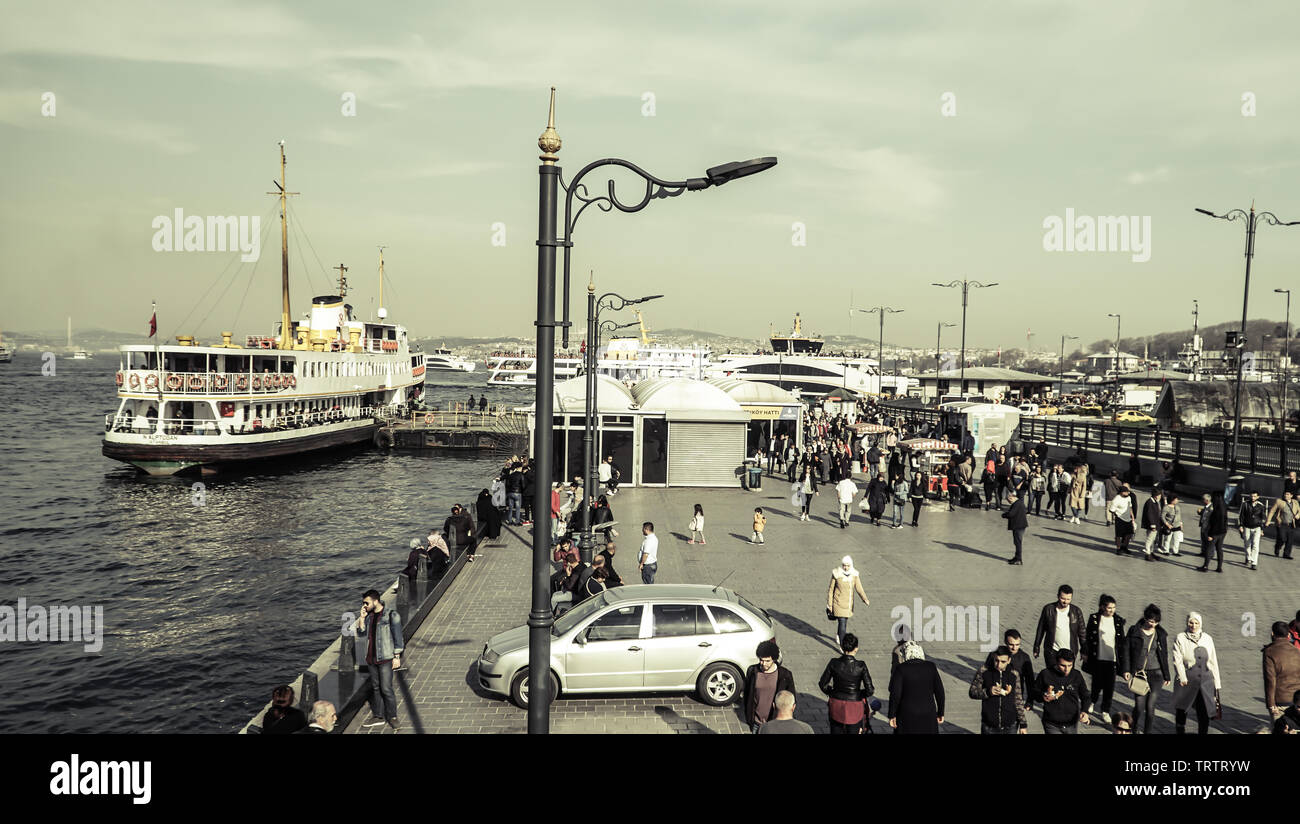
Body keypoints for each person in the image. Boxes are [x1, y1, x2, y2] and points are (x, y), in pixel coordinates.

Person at [354, 588, 404, 730]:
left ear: (375, 601)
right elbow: (362, 633)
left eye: (366, 602)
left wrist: (397, 657)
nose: (364, 605)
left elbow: (398, 637)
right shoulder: (369, 616)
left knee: (386, 688)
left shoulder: (391, 615)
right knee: (376, 688)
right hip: (371, 659)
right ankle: (378, 716)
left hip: (386, 658)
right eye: (363, 603)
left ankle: (393, 717)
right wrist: (362, 618)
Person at [1121, 603, 1170, 735]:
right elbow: (1126, 651)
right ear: (1145, 618)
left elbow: (1164, 655)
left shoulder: (1160, 634)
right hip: (1139, 673)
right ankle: (1134, 728)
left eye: (1156, 622)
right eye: (1151, 621)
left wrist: (1167, 675)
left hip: (1156, 674)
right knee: (1139, 706)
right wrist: (1126, 670)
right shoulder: (1134, 631)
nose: (1153, 624)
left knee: (1150, 707)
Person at [1171, 611, 1221, 734]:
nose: (1193, 626)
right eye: (1191, 623)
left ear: (1200, 623)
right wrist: (1182, 677)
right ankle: (1180, 730)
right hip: (1186, 680)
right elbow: (1177, 660)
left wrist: (1217, 684)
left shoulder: (1207, 638)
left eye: (1196, 623)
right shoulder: (1180, 638)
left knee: (1203, 711)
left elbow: (1213, 661)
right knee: (1182, 709)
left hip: (1205, 681)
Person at [1083, 594, 1127, 724]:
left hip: (1112, 658)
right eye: (1109, 608)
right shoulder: (1095, 618)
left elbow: (1122, 640)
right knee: (1096, 683)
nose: (1111, 610)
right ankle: (1092, 701)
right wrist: (1085, 652)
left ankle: (1105, 710)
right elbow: (1087, 637)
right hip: (1098, 657)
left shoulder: (1118, 620)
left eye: (1113, 607)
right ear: (1102, 607)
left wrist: (1123, 660)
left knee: (1109, 686)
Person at [819, 632, 875, 734]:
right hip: (854, 706)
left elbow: (822, 684)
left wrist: (832, 692)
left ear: (842, 646)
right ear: (856, 648)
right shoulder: (860, 666)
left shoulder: (834, 663)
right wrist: (858, 694)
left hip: (836, 704)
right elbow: (870, 690)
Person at [888, 641, 945, 734]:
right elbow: (940, 692)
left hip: (906, 714)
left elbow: (895, 694)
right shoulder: (931, 667)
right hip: (928, 713)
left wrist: (892, 715)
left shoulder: (901, 669)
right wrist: (941, 712)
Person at [969, 645, 1028, 734]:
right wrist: (988, 692)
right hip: (989, 725)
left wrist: (1023, 724)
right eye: (996, 660)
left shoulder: (1014, 674)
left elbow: (1018, 699)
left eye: (1003, 661)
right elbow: (972, 692)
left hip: (1010, 725)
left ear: (1009, 660)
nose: (999, 664)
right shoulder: (984, 671)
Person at [744, 640, 797, 733]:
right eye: (761, 660)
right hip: (756, 723)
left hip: (775, 723)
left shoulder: (785, 675)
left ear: (774, 659)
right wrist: (749, 717)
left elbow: (791, 699)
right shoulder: (752, 671)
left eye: (767, 661)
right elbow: (747, 695)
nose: (764, 664)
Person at [1035, 649, 1091, 734]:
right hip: (1052, 724)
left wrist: (1085, 711)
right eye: (1063, 665)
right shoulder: (1045, 674)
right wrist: (1043, 696)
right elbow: (1034, 693)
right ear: (1057, 662)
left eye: (1070, 665)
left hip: (1072, 723)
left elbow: (1085, 696)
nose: (1066, 669)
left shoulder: (1076, 675)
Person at [1033, 584, 1084, 670]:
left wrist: (1084, 650)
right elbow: (1041, 629)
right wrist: (1036, 647)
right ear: (1058, 596)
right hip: (1052, 651)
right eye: (1063, 598)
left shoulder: (1076, 611)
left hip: (1070, 652)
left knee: (1067, 677)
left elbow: (1082, 632)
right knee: (1052, 676)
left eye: (1068, 599)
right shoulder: (1048, 609)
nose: (1065, 602)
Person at [827, 555, 870, 648]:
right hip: (837, 602)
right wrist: (829, 605)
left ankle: (839, 634)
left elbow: (859, 587)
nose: (845, 567)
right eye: (844, 565)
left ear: (851, 565)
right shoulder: (836, 574)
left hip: (848, 604)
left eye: (847, 565)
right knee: (842, 622)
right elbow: (831, 589)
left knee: (844, 622)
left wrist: (864, 598)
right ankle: (843, 646)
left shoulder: (854, 575)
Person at [1263, 621, 1300, 722]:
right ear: (1288, 635)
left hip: (1280, 701)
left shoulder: (1270, 652)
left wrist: (1271, 704)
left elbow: (1270, 679)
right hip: (1296, 701)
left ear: (1272, 634)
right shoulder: (1297, 651)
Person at [1196, 491, 1227, 573]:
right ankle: (1219, 567)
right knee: (1219, 549)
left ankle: (1205, 566)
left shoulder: (1215, 510)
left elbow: (1213, 524)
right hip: (1223, 532)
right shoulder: (1224, 508)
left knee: (1209, 549)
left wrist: (1210, 534)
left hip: (1215, 533)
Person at [1266, 489, 1299, 560]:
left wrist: (1298, 515)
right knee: (1282, 538)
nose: (1285, 495)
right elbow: (1272, 511)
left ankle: (1286, 554)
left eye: (1287, 494)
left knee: (1290, 540)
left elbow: (1299, 511)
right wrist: (1268, 521)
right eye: (1285, 494)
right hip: (1281, 524)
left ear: (1291, 496)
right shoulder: (1279, 501)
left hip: (1291, 524)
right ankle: (1277, 547)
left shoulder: (1295, 502)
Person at [1238, 490, 1267, 570]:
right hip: (1247, 526)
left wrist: (1262, 529)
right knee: (1247, 543)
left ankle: (1254, 562)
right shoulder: (1245, 504)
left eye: (1254, 496)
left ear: (1258, 497)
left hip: (1257, 527)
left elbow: (1263, 518)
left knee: (1255, 545)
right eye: (1251, 496)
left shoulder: (1261, 506)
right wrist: (1240, 525)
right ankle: (1248, 557)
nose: (1253, 498)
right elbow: (1241, 515)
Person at [1001, 489, 1028, 565]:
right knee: (1016, 542)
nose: (1008, 502)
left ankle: (1019, 559)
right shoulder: (1018, 503)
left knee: (1018, 543)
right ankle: (1016, 557)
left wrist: (1004, 515)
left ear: (1011, 497)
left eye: (1008, 500)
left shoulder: (1017, 504)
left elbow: (1011, 514)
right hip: (1019, 525)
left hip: (1018, 526)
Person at [1108, 486, 1137, 555]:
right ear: (1122, 492)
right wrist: (1117, 515)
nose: (1128, 493)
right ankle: (1118, 549)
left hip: (1128, 519)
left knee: (1129, 534)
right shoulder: (1116, 499)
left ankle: (1124, 547)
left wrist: (1132, 516)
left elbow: (1130, 507)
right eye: (1126, 492)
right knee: (1119, 535)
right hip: (1120, 519)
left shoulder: (1129, 498)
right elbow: (1111, 510)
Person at [1139, 488, 1164, 558]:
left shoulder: (1155, 502)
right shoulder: (1150, 502)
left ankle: (1151, 552)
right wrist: (1152, 525)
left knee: (1153, 539)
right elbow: (1150, 514)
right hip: (1152, 525)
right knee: (1150, 539)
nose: (1160, 496)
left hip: (1155, 524)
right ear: (1156, 495)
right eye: (1159, 495)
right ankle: (1147, 553)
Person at [1160, 492, 1184, 557]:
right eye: (1176, 499)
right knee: (1167, 539)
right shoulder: (1166, 507)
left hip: (1177, 525)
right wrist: (1167, 524)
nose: (1177, 500)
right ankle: (1166, 551)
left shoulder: (1177, 507)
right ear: (1172, 500)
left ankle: (1175, 551)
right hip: (1169, 526)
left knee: (1177, 539)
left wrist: (1181, 524)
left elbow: (1179, 516)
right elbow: (1162, 517)